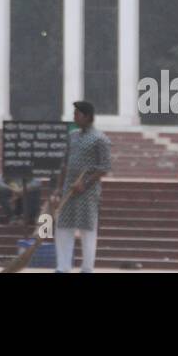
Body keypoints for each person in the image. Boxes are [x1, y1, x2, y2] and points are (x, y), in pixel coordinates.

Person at [52, 101, 113, 272]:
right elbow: (64, 164)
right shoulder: (72, 136)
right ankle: (63, 267)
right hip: (68, 189)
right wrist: (58, 188)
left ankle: (87, 267)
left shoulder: (100, 139)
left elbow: (105, 167)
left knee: (87, 229)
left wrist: (85, 183)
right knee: (63, 227)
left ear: (87, 117)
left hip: (87, 191)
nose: (74, 117)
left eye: (77, 114)